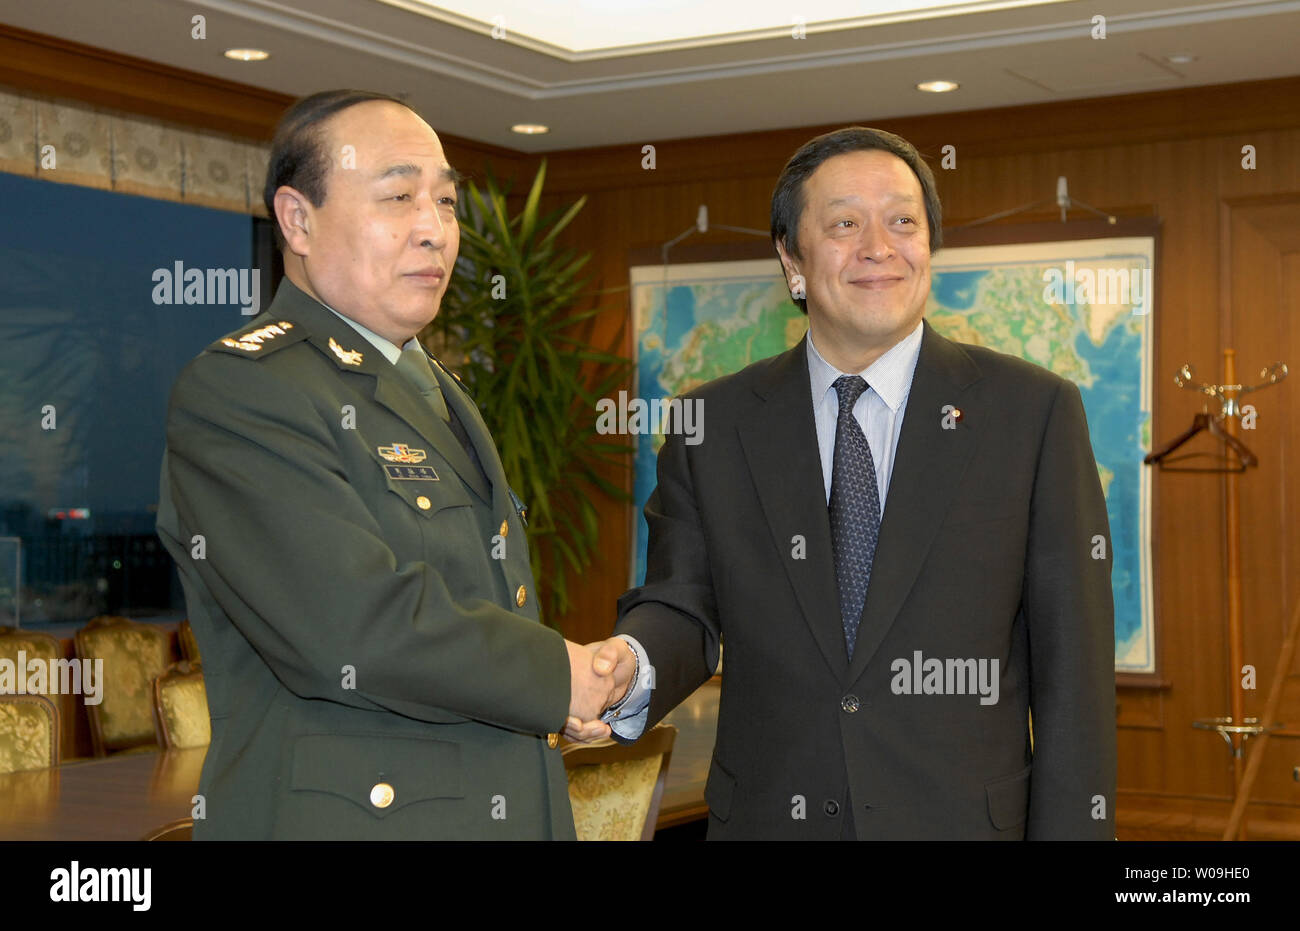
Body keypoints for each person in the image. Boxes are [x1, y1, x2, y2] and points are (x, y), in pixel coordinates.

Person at [574, 126, 1118, 840]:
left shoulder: (1031, 413)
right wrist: (630, 662)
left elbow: (1074, 680)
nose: (877, 247)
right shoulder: (711, 423)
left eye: (902, 221)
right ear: (791, 261)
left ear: (928, 249)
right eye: (843, 224)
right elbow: (682, 603)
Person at [155, 89, 614, 840]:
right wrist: (558, 674)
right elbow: (351, 626)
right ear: (298, 221)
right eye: (399, 197)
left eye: (446, 202)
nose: (433, 231)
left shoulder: (438, 389)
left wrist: (556, 694)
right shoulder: (244, 388)